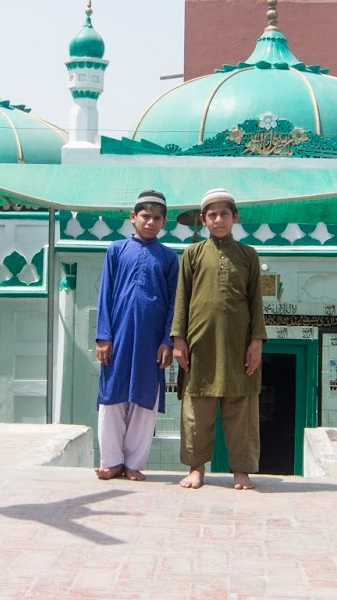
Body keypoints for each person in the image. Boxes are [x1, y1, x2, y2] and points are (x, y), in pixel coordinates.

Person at [171, 187, 266, 490]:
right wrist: (178, 339)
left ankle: (242, 471)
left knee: (241, 408)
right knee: (197, 408)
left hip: (239, 344)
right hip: (200, 343)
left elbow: (256, 302)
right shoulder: (193, 254)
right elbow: (182, 298)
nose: (219, 220)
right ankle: (196, 468)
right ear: (203, 220)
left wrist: (256, 342)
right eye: (212, 215)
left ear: (235, 217)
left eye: (225, 214)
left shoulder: (248, 255)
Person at [94, 188, 178, 481]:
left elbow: (174, 303)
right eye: (145, 216)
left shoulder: (168, 258)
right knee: (112, 396)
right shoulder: (116, 250)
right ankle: (111, 461)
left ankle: (133, 464)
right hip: (118, 337)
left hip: (151, 341)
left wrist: (167, 341)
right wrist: (103, 336)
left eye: (157, 218)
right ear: (133, 217)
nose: (150, 222)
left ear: (164, 222)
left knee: (144, 401)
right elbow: (105, 294)